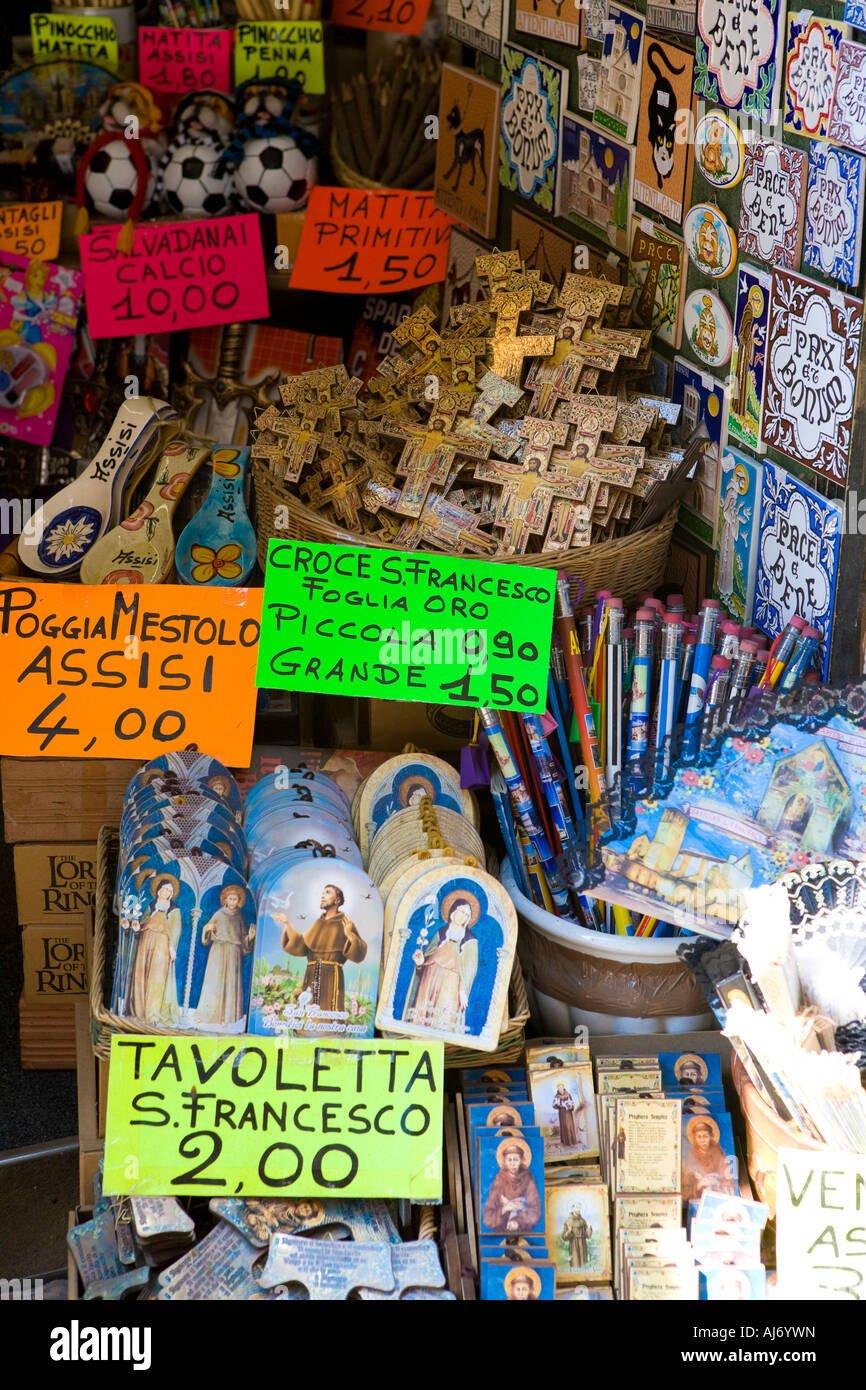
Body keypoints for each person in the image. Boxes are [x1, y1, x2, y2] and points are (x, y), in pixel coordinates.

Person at [274, 884, 366, 1015]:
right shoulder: (318, 923)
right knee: (307, 1010)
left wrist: (350, 936)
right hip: (311, 976)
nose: (322, 896)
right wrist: (287, 924)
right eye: (322, 893)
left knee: (328, 1013)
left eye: (328, 893)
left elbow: (359, 954)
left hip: (331, 978)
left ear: (337, 900)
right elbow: (302, 946)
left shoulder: (344, 923)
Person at [404, 894, 479, 1033]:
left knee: (442, 1020)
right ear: (453, 912)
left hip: (450, 985)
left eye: (465, 914)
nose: (462, 916)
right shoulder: (441, 933)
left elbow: (469, 969)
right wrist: (421, 962)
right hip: (428, 980)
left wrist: (462, 989)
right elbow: (427, 958)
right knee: (421, 1019)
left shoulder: (470, 940)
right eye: (460, 911)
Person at [197, 884, 255, 1027]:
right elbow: (207, 933)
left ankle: (226, 1017)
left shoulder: (239, 916)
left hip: (234, 953)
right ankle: (207, 1015)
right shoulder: (219, 914)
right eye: (230, 899)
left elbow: (243, 941)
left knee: (230, 983)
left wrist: (250, 937)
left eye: (236, 899)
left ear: (238, 901)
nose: (233, 902)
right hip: (218, 951)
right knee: (214, 982)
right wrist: (207, 929)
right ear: (225, 900)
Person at [130, 875, 182, 1025]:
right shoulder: (151, 906)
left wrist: (172, 947)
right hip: (146, 941)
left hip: (162, 943)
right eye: (164, 889)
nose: (166, 893)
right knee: (143, 973)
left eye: (169, 891)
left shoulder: (174, 910)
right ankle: (141, 1011)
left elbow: (175, 930)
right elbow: (142, 923)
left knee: (157, 978)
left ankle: (153, 1013)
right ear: (158, 890)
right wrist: (137, 927)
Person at [482, 1140, 542, 1233]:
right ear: (504, 1161)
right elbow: (487, 1217)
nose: (512, 1163)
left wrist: (517, 1221)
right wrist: (506, 1208)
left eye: (516, 1160)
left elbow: (535, 1211)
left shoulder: (528, 1179)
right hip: (501, 1232)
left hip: (523, 1232)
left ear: (521, 1161)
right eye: (509, 1160)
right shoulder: (499, 1180)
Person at [682, 1117, 737, 1202]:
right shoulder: (691, 1157)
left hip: (716, 1199)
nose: (702, 1140)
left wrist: (715, 1183)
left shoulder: (719, 1154)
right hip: (697, 1201)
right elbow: (684, 1191)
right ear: (694, 1139)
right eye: (699, 1137)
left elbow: (730, 1183)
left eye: (705, 1136)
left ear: (711, 1137)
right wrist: (699, 1184)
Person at [562, 1205, 591, 1270]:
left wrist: (589, 1228)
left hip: (583, 1244)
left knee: (584, 1265)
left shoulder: (583, 1221)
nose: (579, 1209)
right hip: (574, 1245)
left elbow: (588, 1236)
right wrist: (569, 1231)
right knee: (575, 1263)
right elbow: (564, 1237)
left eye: (580, 1208)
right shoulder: (568, 1221)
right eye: (577, 1207)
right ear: (573, 1208)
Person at [552, 1082, 577, 1147]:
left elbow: (572, 1102)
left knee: (569, 1126)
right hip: (562, 1113)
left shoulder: (568, 1094)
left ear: (563, 1087)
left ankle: (572, 1141)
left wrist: (571, 1106)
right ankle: (565, 1142)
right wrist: (558, 1105)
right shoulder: (556, 1096)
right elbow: (553, 1105)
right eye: (559, 1087)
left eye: (561, 1087)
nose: (560, 1089)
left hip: (568, 1112)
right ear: (557, 1088)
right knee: (564, 1126)